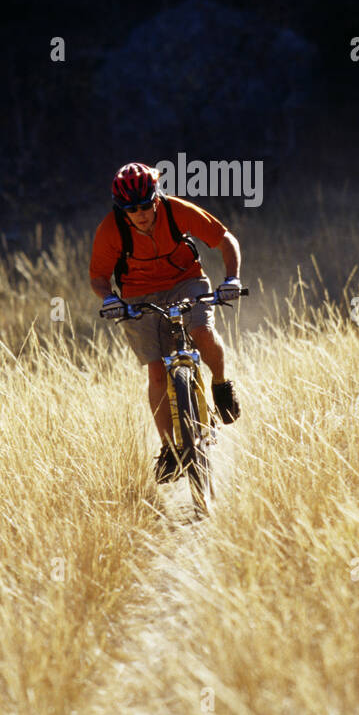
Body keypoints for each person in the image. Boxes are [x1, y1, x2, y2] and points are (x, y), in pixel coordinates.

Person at [89, 161, 242, 483]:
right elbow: (99, 277)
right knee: (156, 370)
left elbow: (225, 239)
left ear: (156, 197)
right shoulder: (111, 230)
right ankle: (170, 448)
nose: (140, 213)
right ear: (121, 208)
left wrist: (231, 279)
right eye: (131, 209)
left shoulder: (177, 211)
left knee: (201, 330)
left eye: (146, 205)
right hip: (137, 295)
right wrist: (110, 300)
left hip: (187, 282)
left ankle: (221, 384)